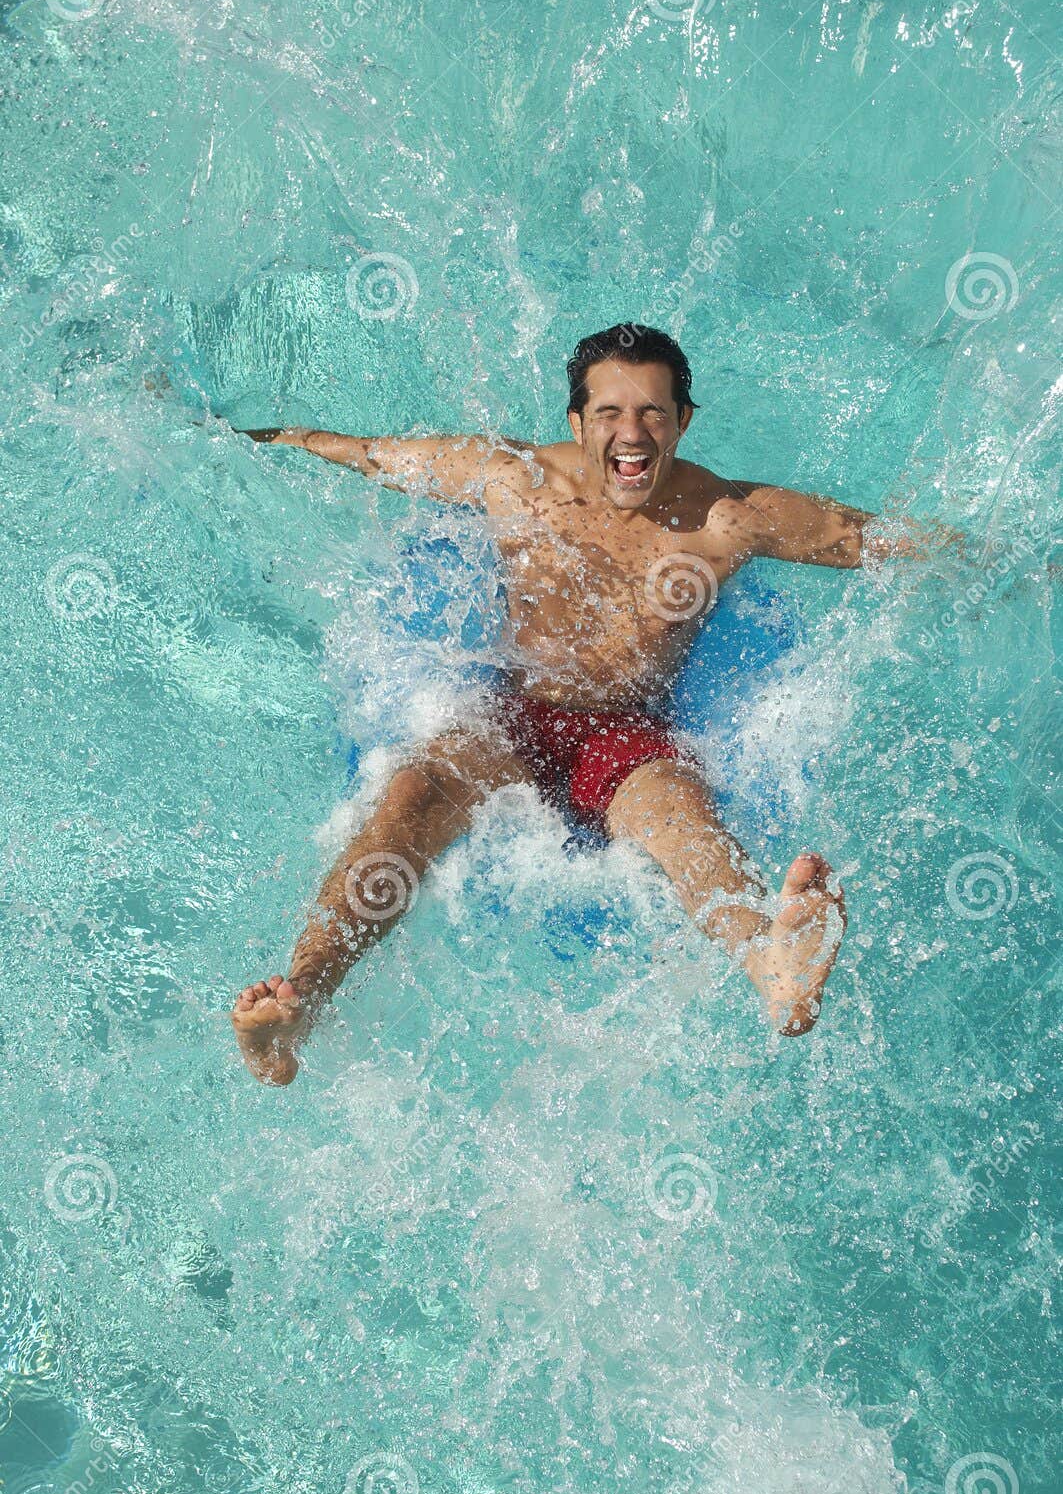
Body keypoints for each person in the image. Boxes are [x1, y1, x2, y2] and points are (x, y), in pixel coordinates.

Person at [231, 323, 936, 1085]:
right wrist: (234, 436)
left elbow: (879, 540)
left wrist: (1015, 564)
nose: (630, 436)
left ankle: (772, 964)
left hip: (627, 737)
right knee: (413, 794)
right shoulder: (510, 479)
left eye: (653, 414)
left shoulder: (726, 517)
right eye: (609, 413)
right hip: (512, 716)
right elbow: (358, 452)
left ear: (683, 421)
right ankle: (299, 1003)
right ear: (576, 421)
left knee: (679, 816)